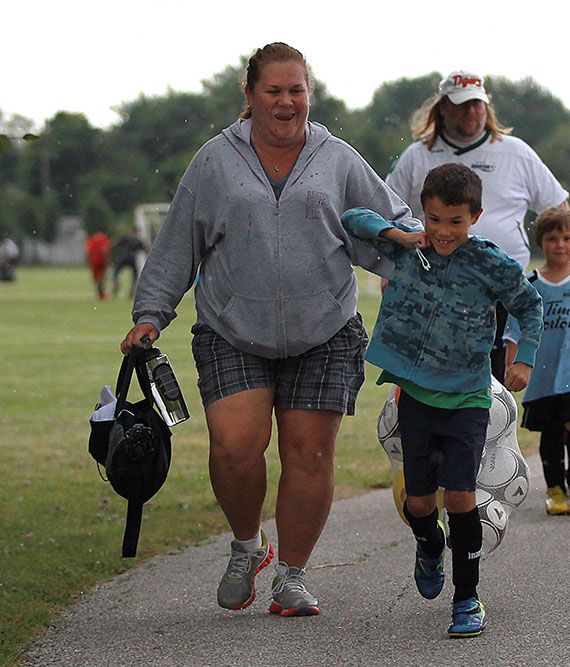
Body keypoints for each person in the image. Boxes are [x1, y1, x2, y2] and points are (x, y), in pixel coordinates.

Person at [120, 42, 420, 617]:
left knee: (308, 457)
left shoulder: (337, 159)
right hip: (233, 328)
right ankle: (247, 545)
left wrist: (429, 264)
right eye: (274, 91)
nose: (287, 102)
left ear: (311, 92)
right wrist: (149, 315)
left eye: (297, 90)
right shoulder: (215, 161)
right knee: (235, 448)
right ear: (251, 95)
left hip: (325, 330)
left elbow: (392, 226)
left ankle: (292, 575)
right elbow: (178, 240)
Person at [340, 163, 542, 638]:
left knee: (461, 496)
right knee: (418, 502)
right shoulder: (410, 245)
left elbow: (528, 306)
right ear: (423, 214)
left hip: (469, 397)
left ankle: (467, 599)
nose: (443, 231)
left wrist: (523, 359)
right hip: (416, 395)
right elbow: (352, 217)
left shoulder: (489, 261)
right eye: (434, 219)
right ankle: (429, 546)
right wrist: (403, 234)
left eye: (455, 221)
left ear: (475, 216)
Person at [385, 70, 568, 380]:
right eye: (461, 104)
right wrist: (392, 269)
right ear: (443, 107)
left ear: (487, 106)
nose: (471, 111)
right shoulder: (417, 156)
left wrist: (558, 261)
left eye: (476, 104)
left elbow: (558, 211)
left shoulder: (516, 151)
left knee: (493, 381)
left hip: (502, 290)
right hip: (434, 291)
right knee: (431, 377)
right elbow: (388, 211)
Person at [503, 207, 570, 515]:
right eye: (553, 238)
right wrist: (512, 365)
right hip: (541, 372)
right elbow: (514, 329)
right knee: (551, 431)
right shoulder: (531, 284)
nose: (560, 245)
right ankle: (554, 490)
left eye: (567, 238)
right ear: (541, 243)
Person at [110, 228, 148, 297]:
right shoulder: (138, 240)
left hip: (123, 257)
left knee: (116, 271)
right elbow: (145, 250)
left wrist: (110, 248)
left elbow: (116, 243)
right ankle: (132, 290)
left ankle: (115, 282)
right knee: (135, 275)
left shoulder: (126, 237)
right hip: (132, 259)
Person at [84, 230, 111, 300]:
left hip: (94, 261)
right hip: (101, 261)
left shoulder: (91, 240)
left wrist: (87, 260)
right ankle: (102, 293)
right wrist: (107, 261)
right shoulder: (104, 239)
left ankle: (100, 293)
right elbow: (106, 250)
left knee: (97, 278)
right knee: (102, 277)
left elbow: (88, 251)